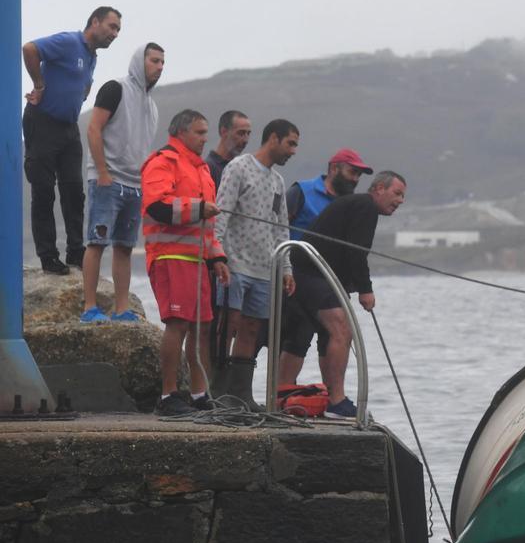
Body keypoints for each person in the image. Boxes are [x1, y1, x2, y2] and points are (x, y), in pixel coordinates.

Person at [292, 171, 406, 418]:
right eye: (397, 193)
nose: (400, 200)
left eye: (403, 196)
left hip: (315, 274)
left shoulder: (359, 206)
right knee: (342, 329)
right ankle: (337, 401)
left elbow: (344, 250)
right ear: (378, 188)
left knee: (329, 333)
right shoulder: (365, 206)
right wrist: (365, 289)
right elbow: (356, 253)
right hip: (312, 273)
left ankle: (333, 399)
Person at [141, 109, 230, 415]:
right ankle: (168, 396)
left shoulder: (202, 170)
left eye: (206, 132)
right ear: (180, 132)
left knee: (202, 328)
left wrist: (217, 256)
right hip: (169, 256)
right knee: (177, 325)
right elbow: (156, 206)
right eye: (200, 133)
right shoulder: (163, 161)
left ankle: (200, 393)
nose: (206, 139)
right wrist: (197, 208)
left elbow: (207, 225)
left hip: (197, 262)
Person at [22, 6, 122, 275]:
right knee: (43, 191)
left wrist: (80, 95)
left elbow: (85, 84)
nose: (115, 34)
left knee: (74, 191)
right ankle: (48, 257)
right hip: (42, 121)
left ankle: (76, 251)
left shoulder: (92, 56)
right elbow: (30, 49)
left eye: (118, 30)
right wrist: (40, 85)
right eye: (112, 27)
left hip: (68, 128)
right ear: (95, 22)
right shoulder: (69, 41)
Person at [211, 119, 299, 408]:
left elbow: (280, 227)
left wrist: (286, 268)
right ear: (273, 138)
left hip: (264, 268)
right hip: (235, 262)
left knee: (252, 328)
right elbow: (221, 212)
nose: (293, 151)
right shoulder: (239, 167)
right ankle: (218, 392)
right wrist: (217, 254)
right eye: (290, 144)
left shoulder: (278, 181)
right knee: (228, 324)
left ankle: (241, 394)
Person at [79, 42, 164, 323]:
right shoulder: (116, 88)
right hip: (108, 179)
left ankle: (121, 308)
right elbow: (94, 128)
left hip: (135, 185)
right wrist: (102, 172)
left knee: (125, 246)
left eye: (162, 63)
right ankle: (89, 307)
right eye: (154, 61)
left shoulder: (151, 106)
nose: (159, 67)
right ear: (140, 61)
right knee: (96, 241)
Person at [278, 148, 373, 385]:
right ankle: (282, 393)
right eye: (352, 172)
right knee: (297, 337)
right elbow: (279, 225)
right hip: (297, 275)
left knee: (330, 337)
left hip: (331, 281)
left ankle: (333, 398)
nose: (355, 179)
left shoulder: (350, 203)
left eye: (359, 175)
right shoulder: (302, 191)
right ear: (334, 168)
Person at [205, 110, 251, 189]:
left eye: (248, 133)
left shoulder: (243, 168)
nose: (245, 140)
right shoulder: (208, 168)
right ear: (224, 132)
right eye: (240, 133)